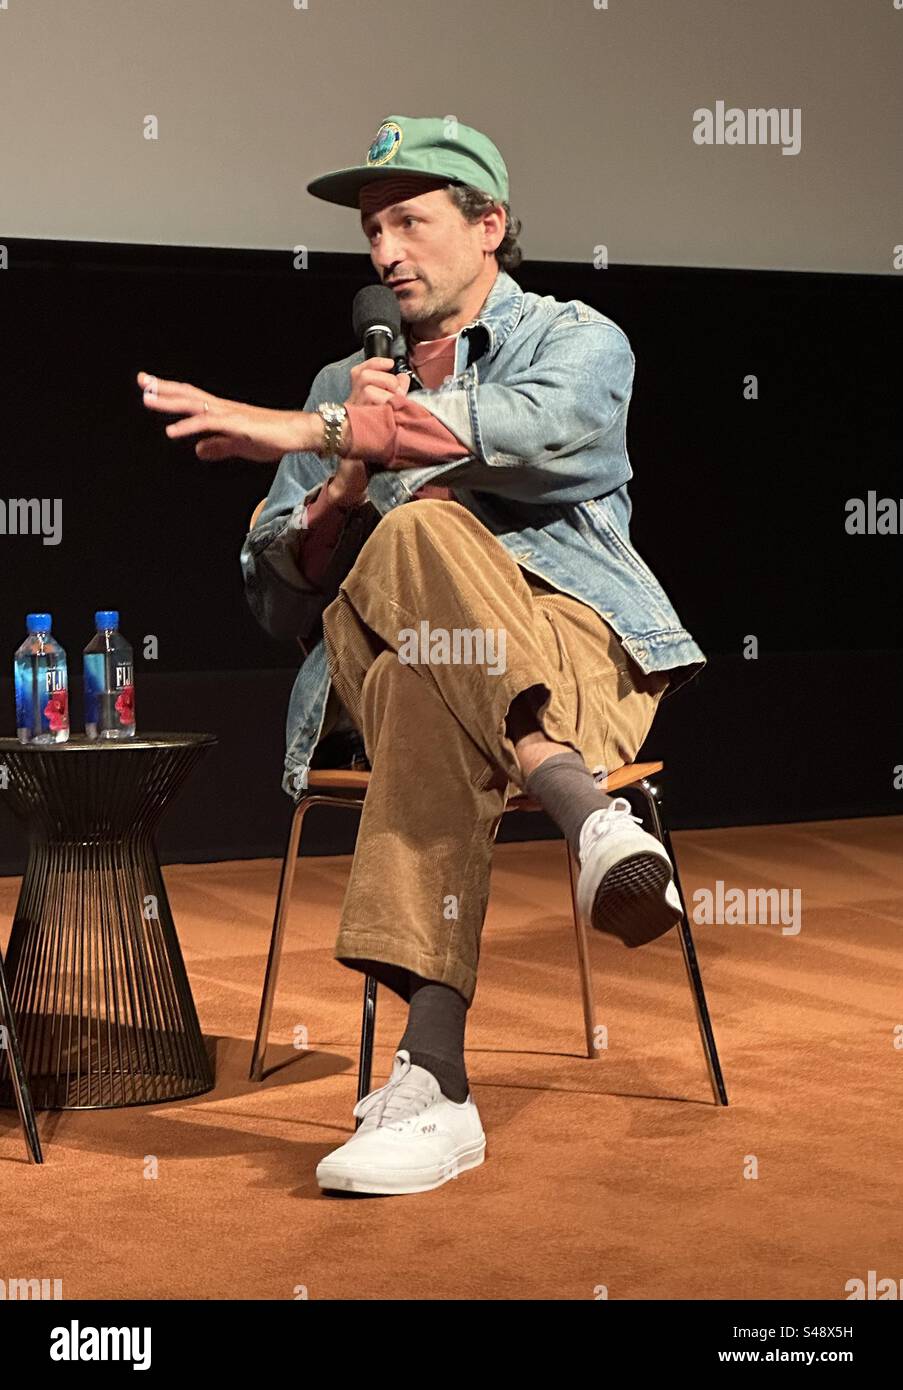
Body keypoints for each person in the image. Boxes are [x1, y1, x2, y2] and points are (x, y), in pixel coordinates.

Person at [138, 114, 707, 1198]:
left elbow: (540, 432)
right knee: (408, 537)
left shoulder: (578, 337)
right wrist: (347, 479)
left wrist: (319, 437)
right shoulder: (340, 380)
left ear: (489, 225)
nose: (385, 253)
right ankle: (584, 809)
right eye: (370, 231)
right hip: (409, 669)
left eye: (409, 221)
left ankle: (434, 1079)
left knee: (419, 650)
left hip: (577, 641)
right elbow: (275, 598)